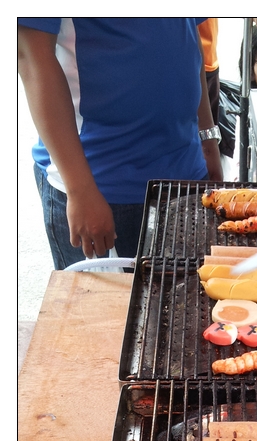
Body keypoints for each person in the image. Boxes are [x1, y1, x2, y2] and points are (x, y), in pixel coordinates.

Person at [18, 18, 223, 269]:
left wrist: (208, 139)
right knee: (102, 307)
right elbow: (30, 57)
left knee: (186, 299)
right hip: (101, 184)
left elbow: (189, 37)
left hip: (187, 174)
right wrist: (80, 190)